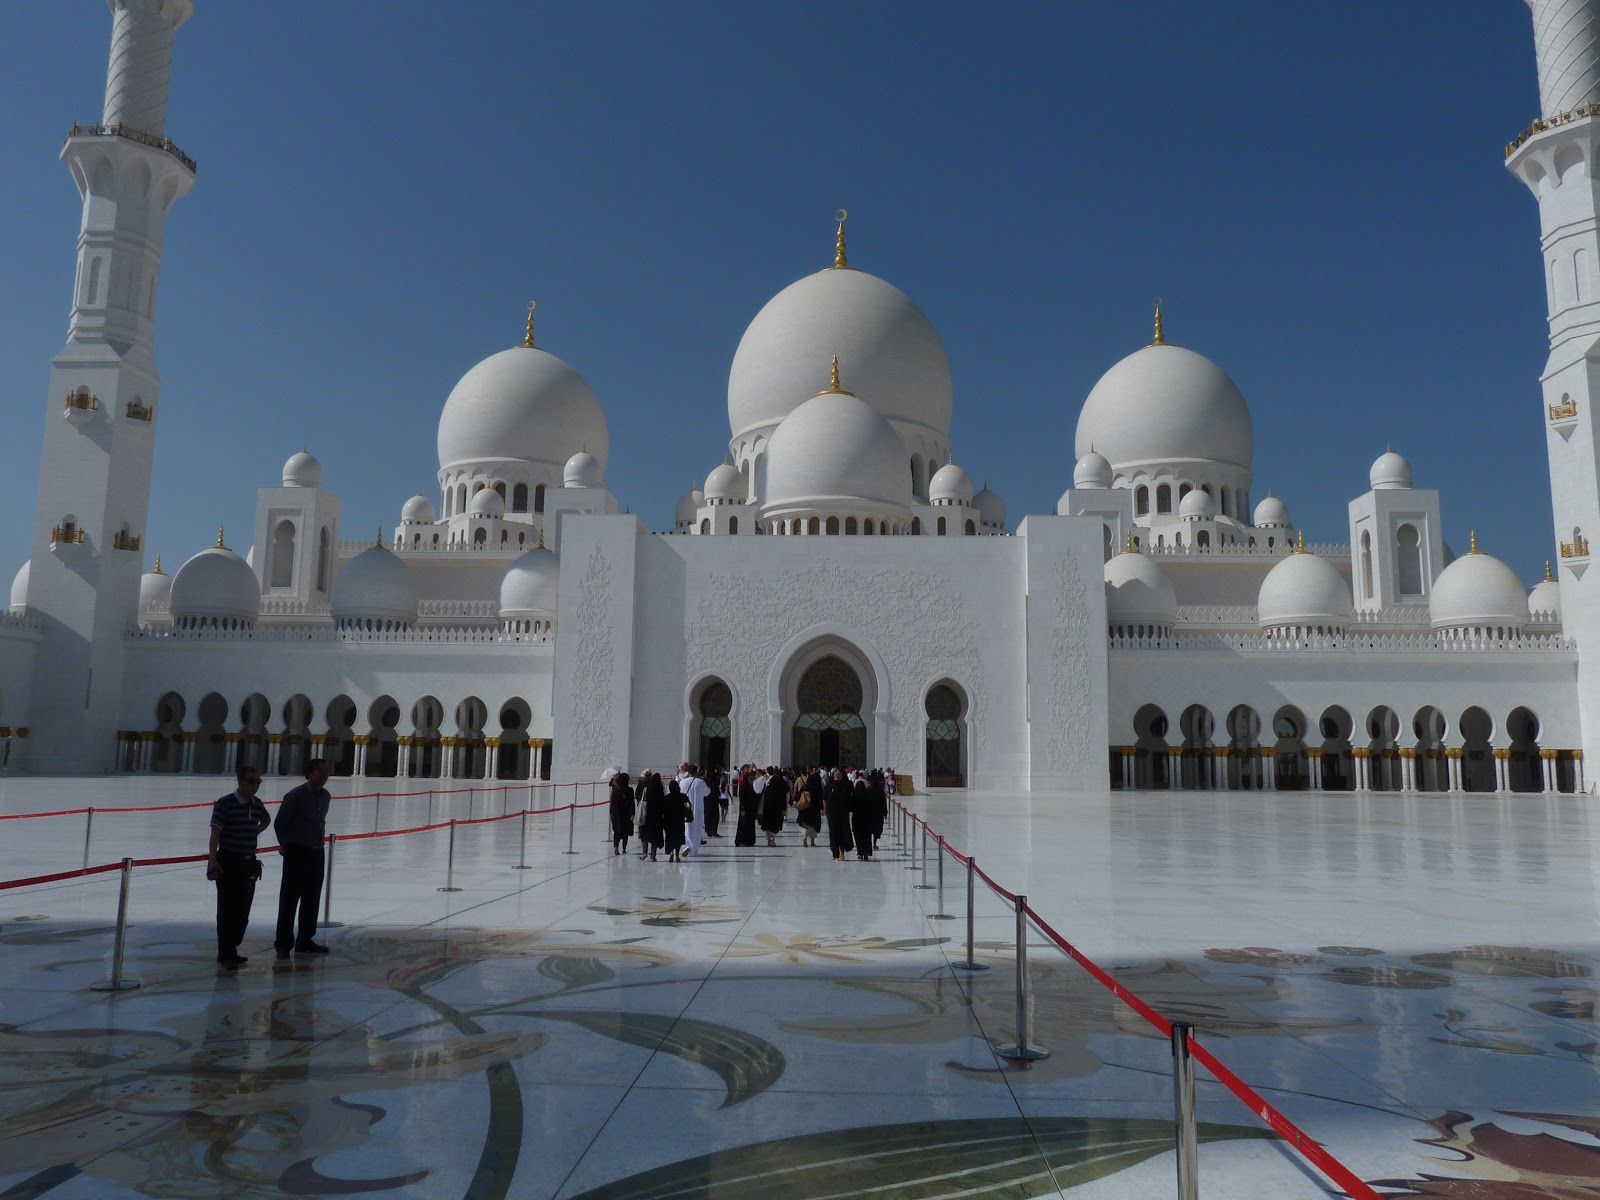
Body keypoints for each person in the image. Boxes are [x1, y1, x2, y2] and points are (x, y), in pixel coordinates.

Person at [208, 763, 271, 969]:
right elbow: (215, 833)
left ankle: (231, 949)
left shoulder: (257, 804)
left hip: (247, 863)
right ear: (240, 781)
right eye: (251, 781)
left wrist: (252, 834)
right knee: (227, 909)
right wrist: (213, 859)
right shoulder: (225, 803)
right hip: (228, 862)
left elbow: (266, 820)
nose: (255, 786)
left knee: (243, 910)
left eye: (258, 782)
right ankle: (225, 952)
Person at [273, 757, 333, 961]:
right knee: (290, 899)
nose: (324, 775)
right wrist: (285, 845)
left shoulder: (325, 796)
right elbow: (280, 823)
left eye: (326, 771)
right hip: (297, 852)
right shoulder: (295, 796)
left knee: (312, 897)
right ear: (308, 773)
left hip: (317, 852)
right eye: (319, 771)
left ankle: (305, 940)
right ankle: (283, 944)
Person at [823, 768, 854, 862]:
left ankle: (835, 854)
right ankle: (842, 852)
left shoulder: (828, 786)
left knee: (833, 832)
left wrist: (825, 809)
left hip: (832, 813)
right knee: (842, 831)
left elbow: (824, 798)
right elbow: (850, 798)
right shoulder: (845, 786)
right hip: (843, 813)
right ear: (840, 777)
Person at [682, 763, 709, 854]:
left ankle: (686, 846)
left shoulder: (683, 782)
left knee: (686, 828)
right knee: (697, 829)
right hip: (698, 809)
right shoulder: (700, 782)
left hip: (686, 808)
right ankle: (694, 850)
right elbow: (707, 792)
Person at [637, 771, 665, 860]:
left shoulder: (643, 783)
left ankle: (644, 852)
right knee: (655, 837)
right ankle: (653, 856)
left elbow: (637, 795)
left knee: (644, 834)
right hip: (656, 815)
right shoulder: (659, 786)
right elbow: (662, 800)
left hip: (645, 813)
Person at [759, 765, 789, 846]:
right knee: (775, 825)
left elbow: (764, 798)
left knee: (768, 825)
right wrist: (784, 809)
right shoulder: (781, 788)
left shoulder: (769, 788)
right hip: (777, 810)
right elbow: (784, 797)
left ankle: (769, 839)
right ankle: (772, 839)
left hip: (768, 809)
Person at [794, 767, 823, 847]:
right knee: (813, 825)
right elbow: (821, 800)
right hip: (814, 810)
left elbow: (798, 797)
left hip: (805, 810)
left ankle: (805, 838)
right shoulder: (818, 790)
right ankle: (812, 841)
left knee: (805, 825)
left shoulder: (804, 788)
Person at [661, 777, 689, 862]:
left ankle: (670, 852)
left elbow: (663, 810)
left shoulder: (666, 798)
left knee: (669, 837)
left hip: (668, 821)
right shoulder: (682, 796)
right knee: (678, 837)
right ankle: (677, 854)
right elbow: (688, 806)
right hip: (679, 820)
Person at [851, 770, 876, 861]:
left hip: (857, 819)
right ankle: (866, 852)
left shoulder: (855, 797)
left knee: (858, 836)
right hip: (867, 820)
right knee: (866, 836)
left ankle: (860, 852)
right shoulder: (868, 796)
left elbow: (851, 808)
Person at [608, 771, 635, 855]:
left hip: (616, 814)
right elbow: (631, 803)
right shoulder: (630, 790)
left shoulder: (616, 790)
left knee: (617, 831)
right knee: (625, 831)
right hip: (626, 814)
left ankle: (616, 846)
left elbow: (612, 804)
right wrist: (632, 813)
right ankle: (624, 848)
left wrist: (612, 814)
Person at [734, 764, 759, 846]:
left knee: (750, 825)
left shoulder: (751, 787)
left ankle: (749, 841)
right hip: (745, 810)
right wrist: (742, 809)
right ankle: (741, 841)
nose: (752, 780)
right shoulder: (743, 787)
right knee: (743, 825)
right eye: (750, 779)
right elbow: (742, 799)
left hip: (751, 810)